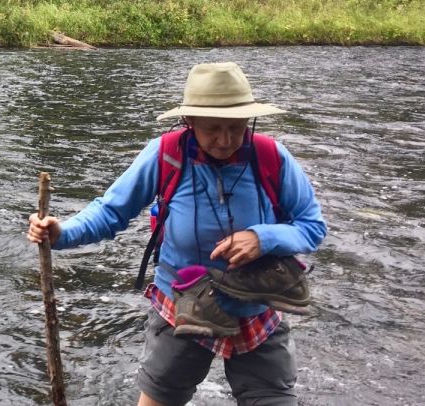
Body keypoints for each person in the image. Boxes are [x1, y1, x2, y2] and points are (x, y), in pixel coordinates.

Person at [26, 62, 326, 406]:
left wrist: (264, 238)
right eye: (213, 129)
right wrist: (61, 232)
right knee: (162, 396)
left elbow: (312, 227)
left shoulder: (271, 157)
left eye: (236, 128)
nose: (225, 140)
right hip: (182, 306)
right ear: (190, 122)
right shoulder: (166, 155)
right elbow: (111, 212)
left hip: (257, 308)